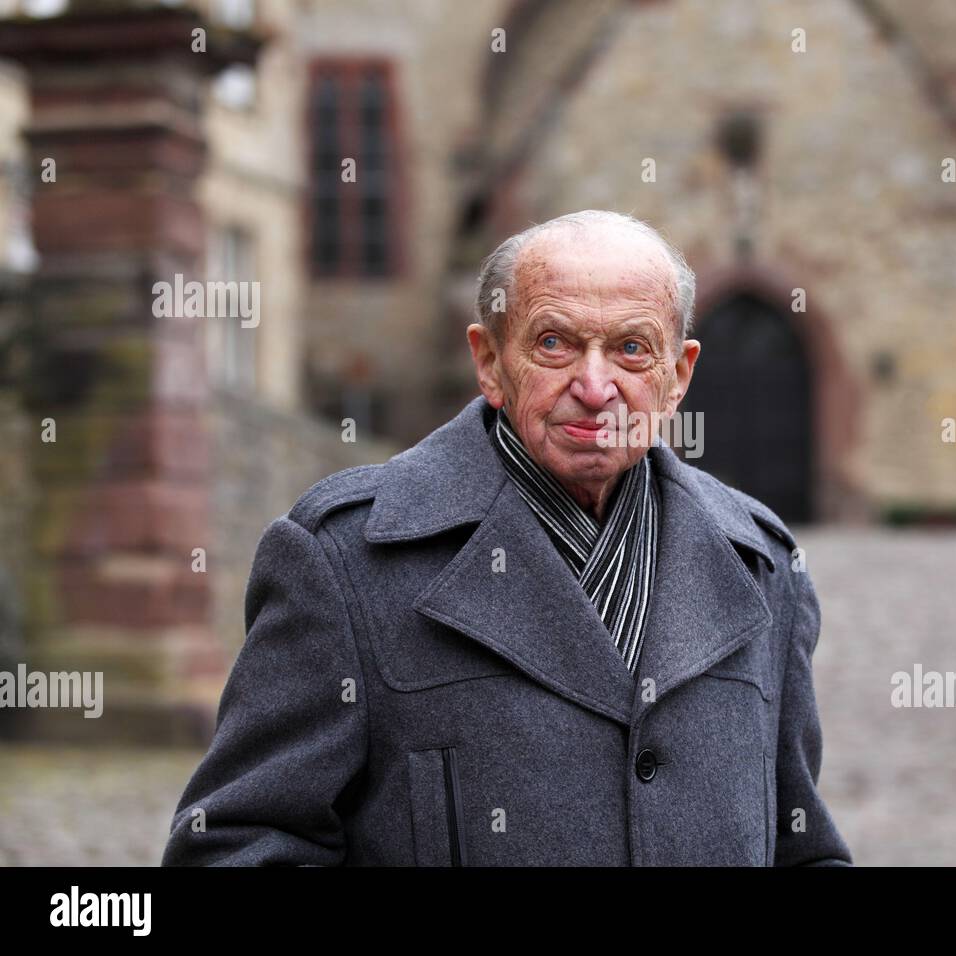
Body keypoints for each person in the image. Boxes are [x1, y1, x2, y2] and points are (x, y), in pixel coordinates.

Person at [162, 209, 852, 866]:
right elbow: (234, 844)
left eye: (631, 349)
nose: (594, 384)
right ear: (489, 361)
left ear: (677, 377)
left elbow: (801, 846)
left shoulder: (763, 566)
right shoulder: (345, 560)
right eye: (555, 342)